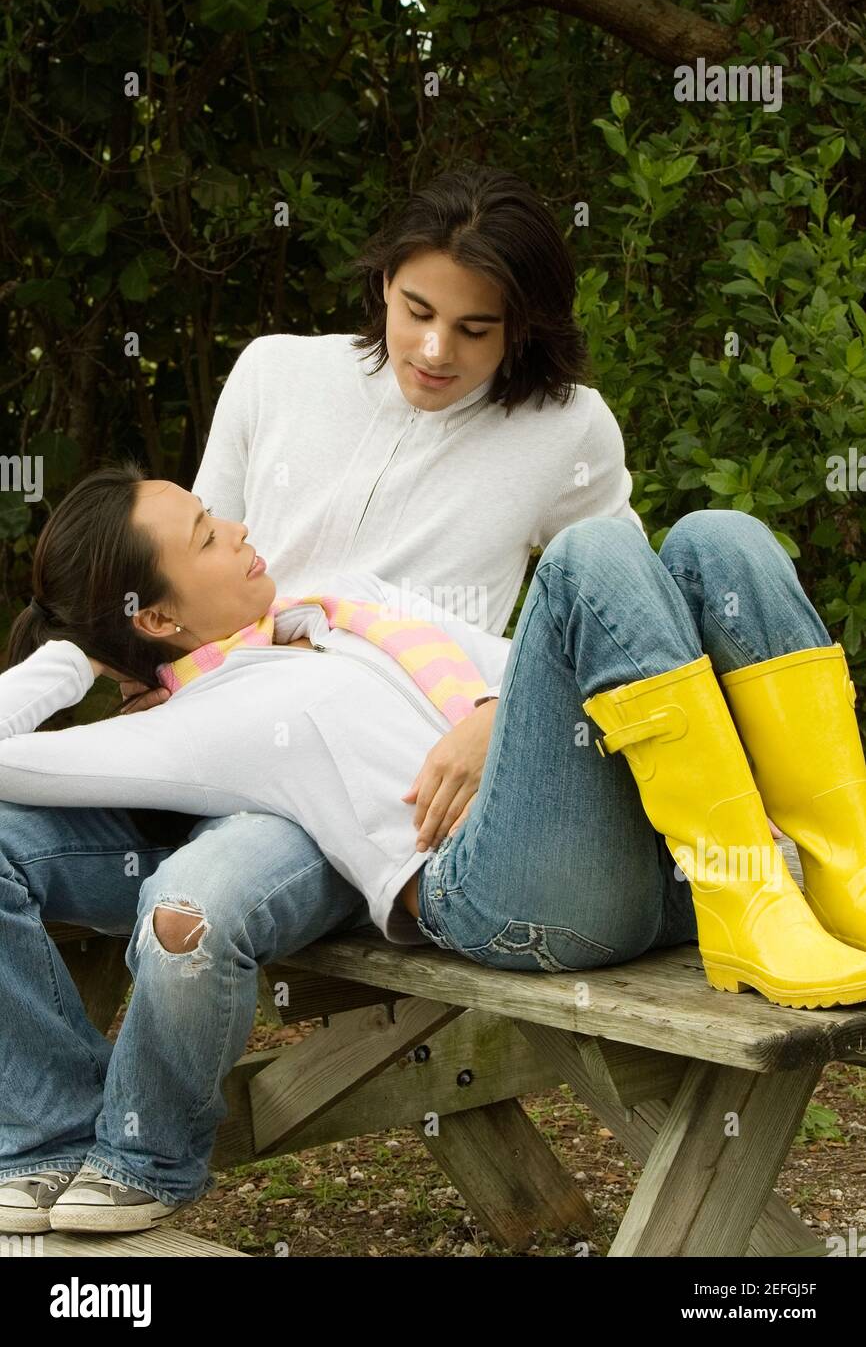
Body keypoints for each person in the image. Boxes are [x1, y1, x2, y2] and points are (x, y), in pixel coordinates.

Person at [0, 165, 646, 1233]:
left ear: (523, 328)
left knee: (191, 911)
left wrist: (502, 718)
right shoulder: (275, 374)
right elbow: (188, 559)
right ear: (381, 282)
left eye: (476, 329)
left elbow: (609, 609)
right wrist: (88, 663)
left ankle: (140, 1165)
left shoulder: (565, 428)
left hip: (357, 792)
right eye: (417, 311)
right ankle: (41, 1138)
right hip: (199, 737)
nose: (435, 351)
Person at [2, 472, 866, 1245]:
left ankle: (837, 878)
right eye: (203, 537)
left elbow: (518, 669)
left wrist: (493, 721)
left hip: (647, 860)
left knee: (721, 536)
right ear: (155, 618)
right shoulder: (194, 722)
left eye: (213, 514)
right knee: (589, 553)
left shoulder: (345, 607)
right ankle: (749, 898)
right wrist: (67, 663)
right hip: (500, 891)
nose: (233, 528)